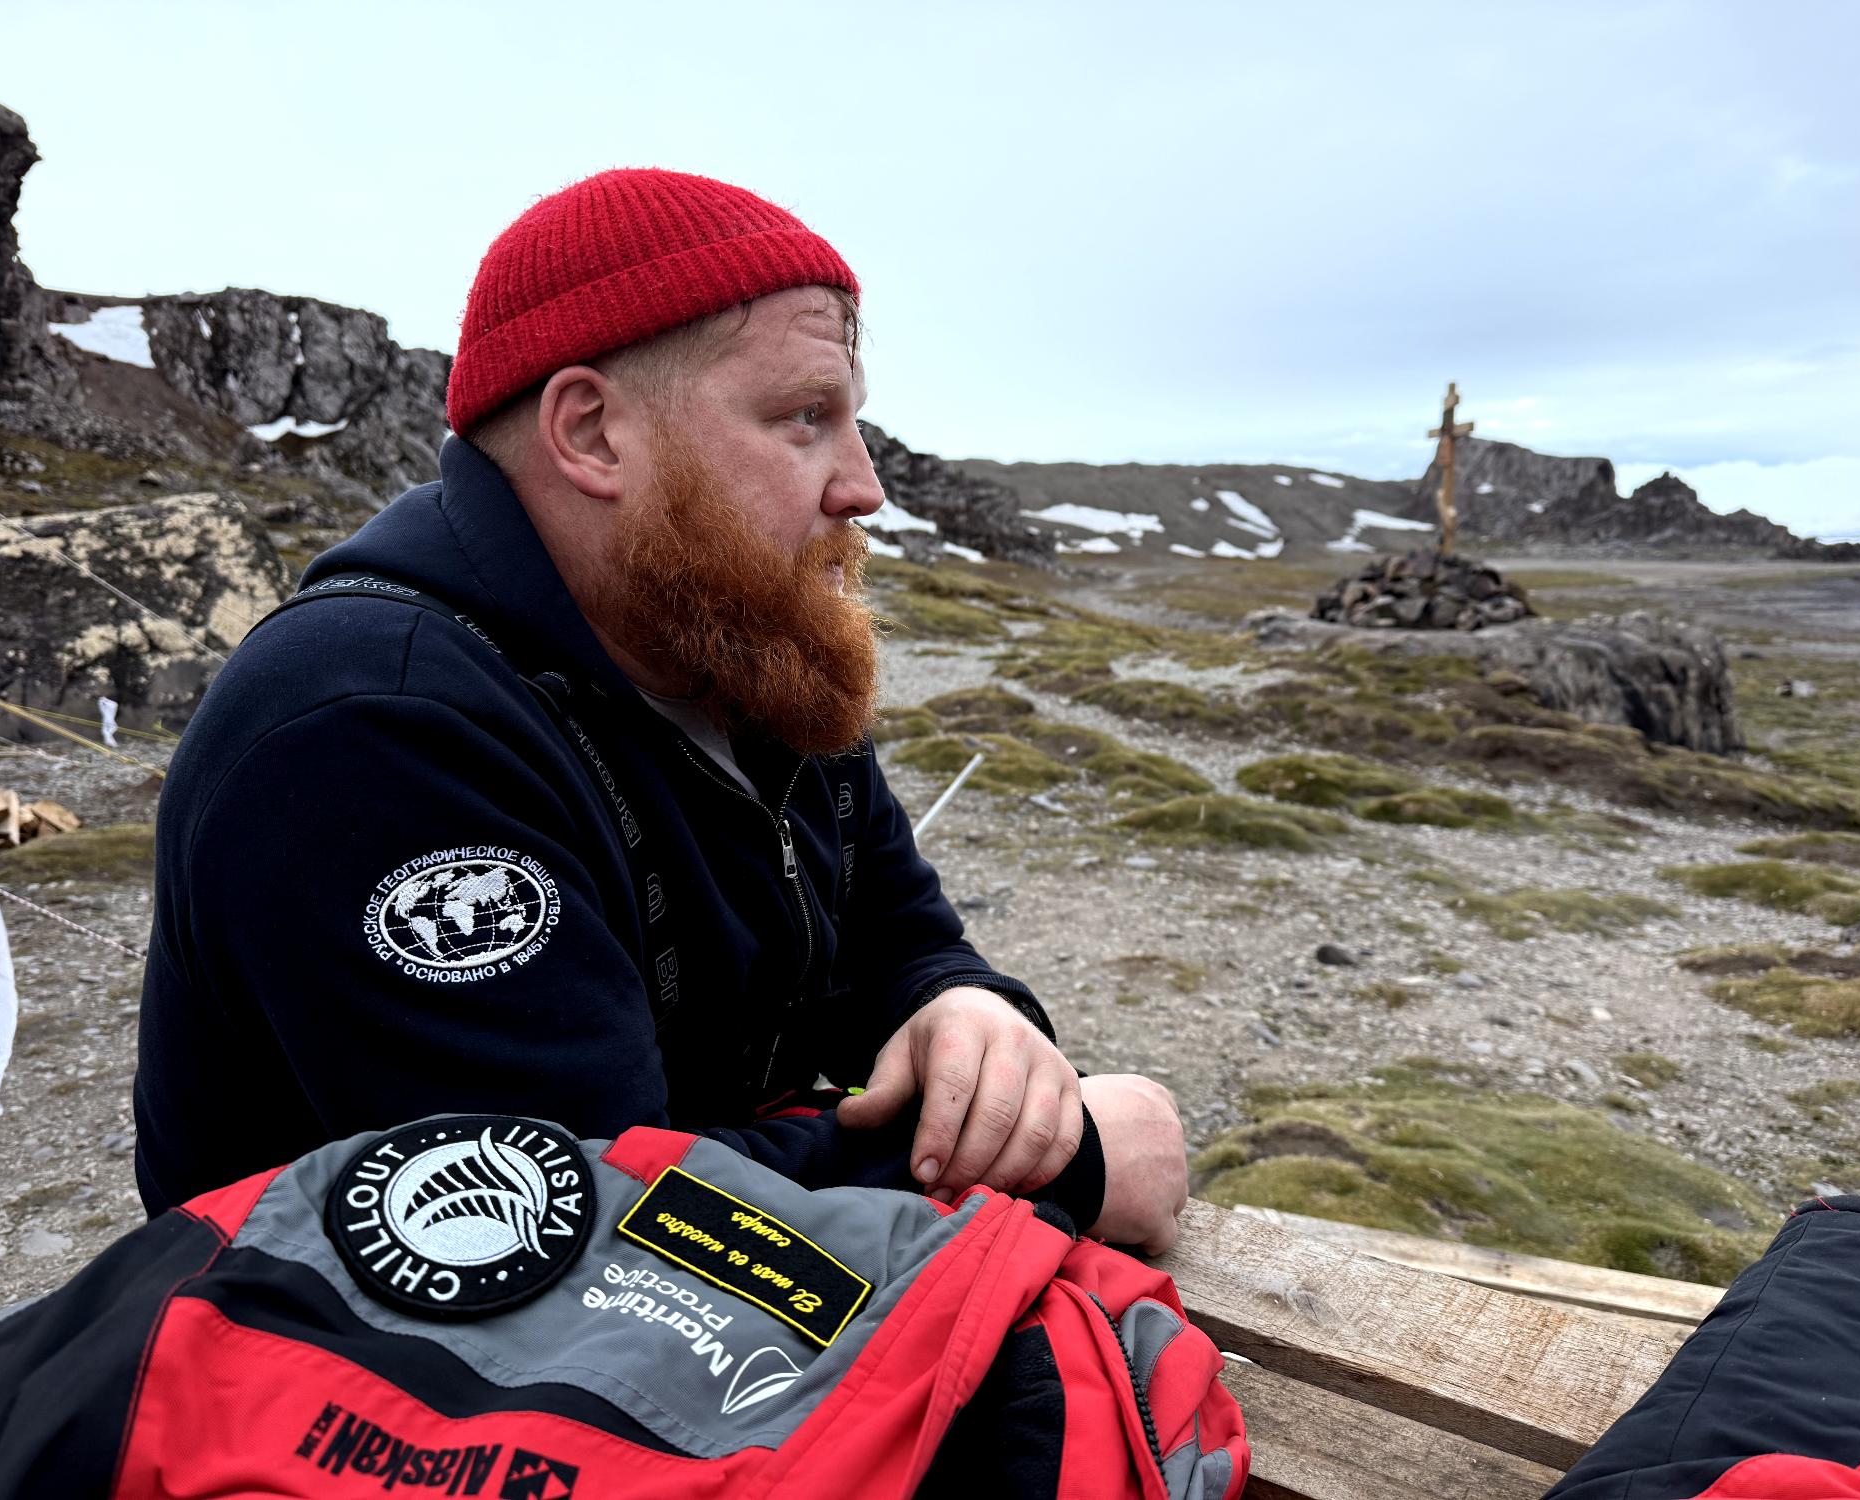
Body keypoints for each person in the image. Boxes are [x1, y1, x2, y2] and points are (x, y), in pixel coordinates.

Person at [131, 168, 1189, 1253]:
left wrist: (962, 1013)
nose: (863, 486)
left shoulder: (729, 634)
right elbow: (565, 1219)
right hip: (354, 1343)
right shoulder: (372, 730)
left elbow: (896, 938)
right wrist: (1063, 1166)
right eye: (805, 418)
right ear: (592, 434)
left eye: (851, 420)